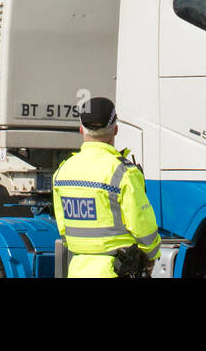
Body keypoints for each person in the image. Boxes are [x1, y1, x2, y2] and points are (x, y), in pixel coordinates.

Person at [51, 97, 159, 277]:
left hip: (77, 269)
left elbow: (63, 228)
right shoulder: (122, 172)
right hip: (116, 270)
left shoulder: (63, 172)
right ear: (115, 129)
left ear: (81, 129)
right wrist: (152, 255)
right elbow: (142, 225)